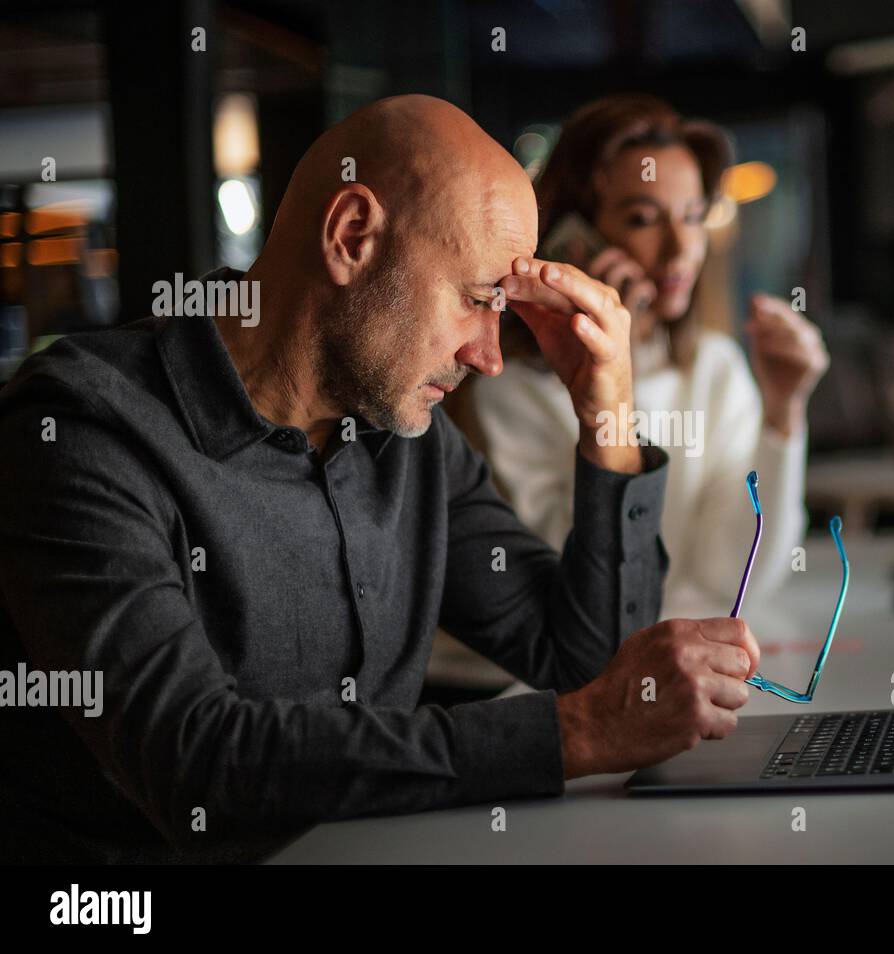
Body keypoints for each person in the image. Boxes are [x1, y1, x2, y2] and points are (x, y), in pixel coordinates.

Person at [0, 95, 762, 863]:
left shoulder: (401, 431)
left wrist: (608, 413)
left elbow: (589, 657)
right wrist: (578, 731)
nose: (490, 356)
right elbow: (202, 764)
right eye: (476, 300)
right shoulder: (80, 431)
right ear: (352, 236)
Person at [473, 94, 829, 615]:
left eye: (693, 216)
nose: (680, 248)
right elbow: (588, 580)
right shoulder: (512, 389)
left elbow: (738, 576)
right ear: (575, 241)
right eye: (643, 218)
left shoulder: (715, 368)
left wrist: (784, 411)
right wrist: (618, 372)